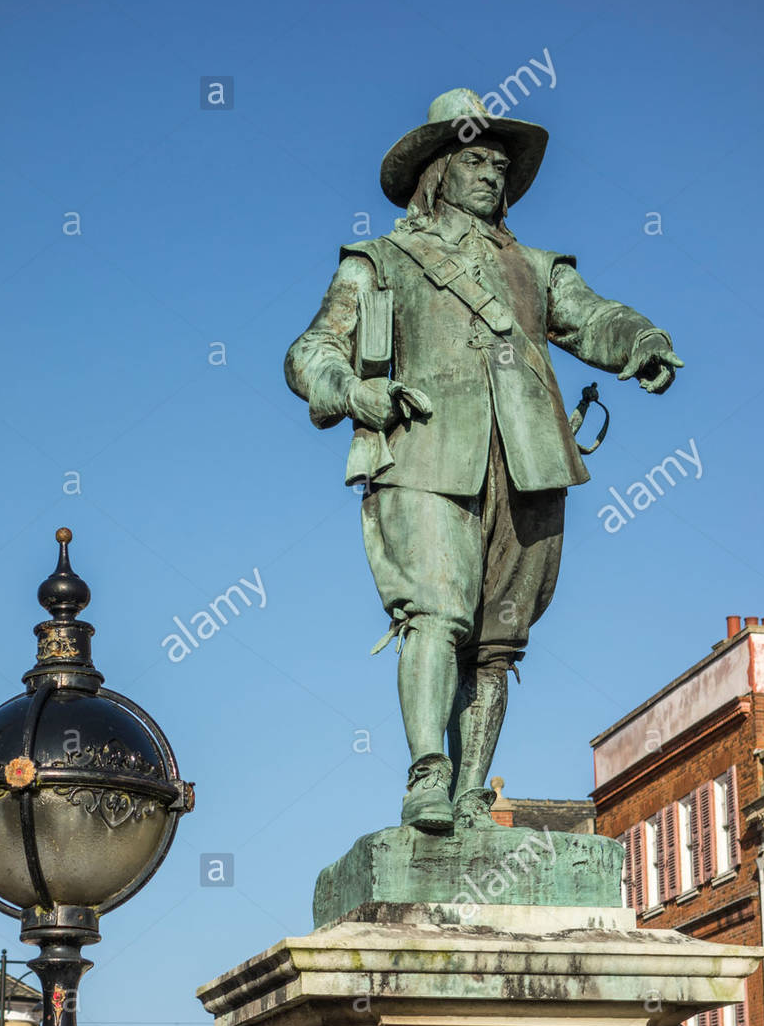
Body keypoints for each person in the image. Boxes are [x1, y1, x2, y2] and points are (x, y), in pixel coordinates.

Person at [285, 89, 683, 833]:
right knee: (436, 611)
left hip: (529, 459)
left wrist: (643, 341)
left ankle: (473, 794)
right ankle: (425, 779)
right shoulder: (381, 260)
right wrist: (351, 393)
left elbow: (593, 315)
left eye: (500, 165)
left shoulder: (536, 267)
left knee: (499, 639)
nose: (492, 175)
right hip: (425, 451)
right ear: (438, 169)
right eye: (475, 159)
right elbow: (311, 350)